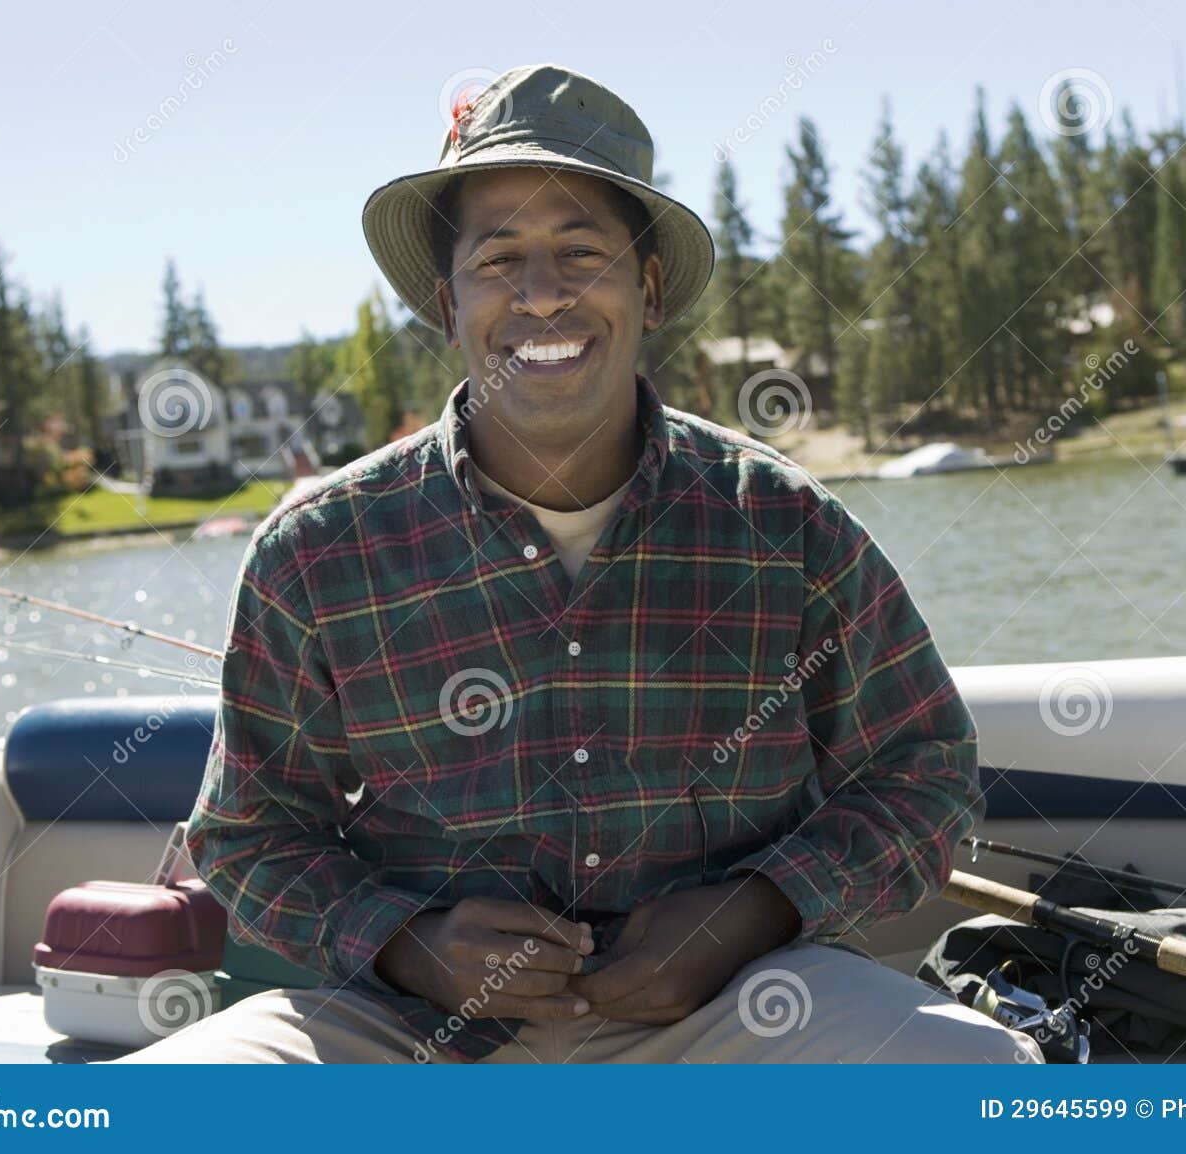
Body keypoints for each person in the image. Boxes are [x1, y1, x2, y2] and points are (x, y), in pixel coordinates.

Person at [118, 63, 1041, 1065]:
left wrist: (746, 912)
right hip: (408, 1029)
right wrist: (410, 942)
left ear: (646, 287)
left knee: (975, 1073)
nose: (542, 294)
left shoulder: (786, 525)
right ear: (446, 302)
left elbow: (923, 773)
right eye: (499, 258)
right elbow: (251, 839)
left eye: (580, 251)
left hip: (735, 1012)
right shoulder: (316, 550)